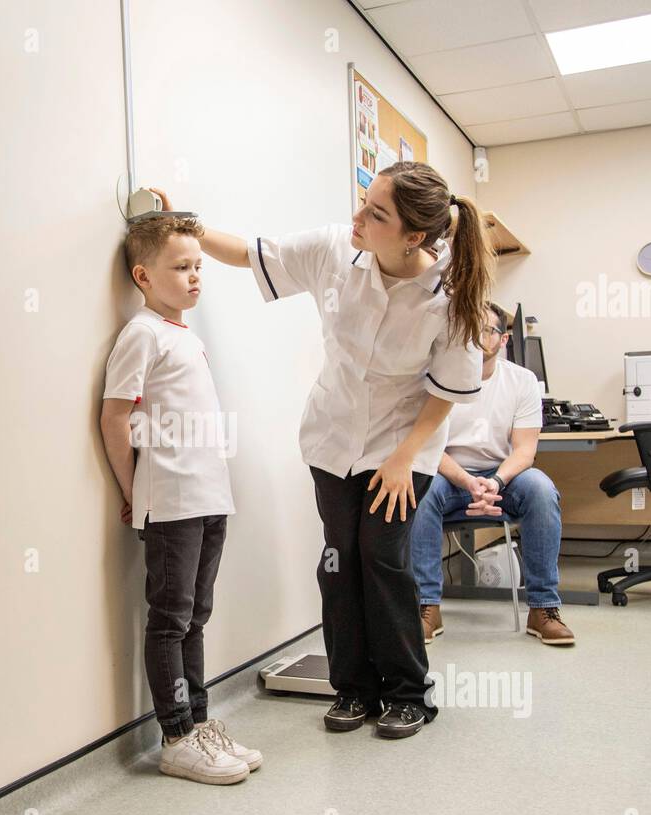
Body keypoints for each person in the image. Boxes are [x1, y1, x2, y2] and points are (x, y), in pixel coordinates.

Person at [151, 160, 493, 739]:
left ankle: (407, 692)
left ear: (414, 237)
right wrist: (183, 224)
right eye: (364, 201)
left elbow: (446, 392)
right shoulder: (339, 249)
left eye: (376, 213)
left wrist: (404, 456)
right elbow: (250, 254)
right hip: (333, 439)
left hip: (404, 450)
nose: (357, 217)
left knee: (382, 559)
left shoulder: (449, 297)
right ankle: (354, 690)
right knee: (339, 561)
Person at [100, 214, 263, 785]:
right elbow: (115, 417)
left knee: (196, 617)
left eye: (198, 266)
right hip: (169, 500)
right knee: (170, 620)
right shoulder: (141, 333)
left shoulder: (184, 335)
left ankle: (199, 724)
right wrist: (131, 490)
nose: (196, 277)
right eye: (181, 267)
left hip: (209, 495)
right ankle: (175, 735)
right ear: (143, 275)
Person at [410, 302, 576, 645]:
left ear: (503, 340)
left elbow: (525, 451)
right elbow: (428, 447)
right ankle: (427, 606)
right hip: (450, 474)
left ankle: (543, 608)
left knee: (542, 491)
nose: (479, 336)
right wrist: (467, 481)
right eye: (472, 327)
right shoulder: (435, 377)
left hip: (503, 476)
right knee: (420, 490)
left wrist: (495, 481)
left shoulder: (522, 381)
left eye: (489, 330)